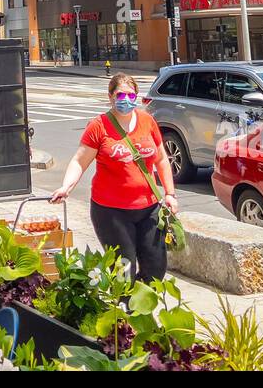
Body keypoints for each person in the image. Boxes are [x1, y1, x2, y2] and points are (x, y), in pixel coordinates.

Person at [50, 72, 177, 282]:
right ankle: (123, 310)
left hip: (149, 208)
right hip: (111, 213)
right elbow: (79, 161)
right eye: (120, 95)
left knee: (156, 269)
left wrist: (170, 194)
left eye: (130, 95)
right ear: (110, 97)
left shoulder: (147, 121)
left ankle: (139, 310)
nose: (125, 100)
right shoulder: (99, 126)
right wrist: (67, 187)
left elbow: (161, 159)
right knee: (123, 273)